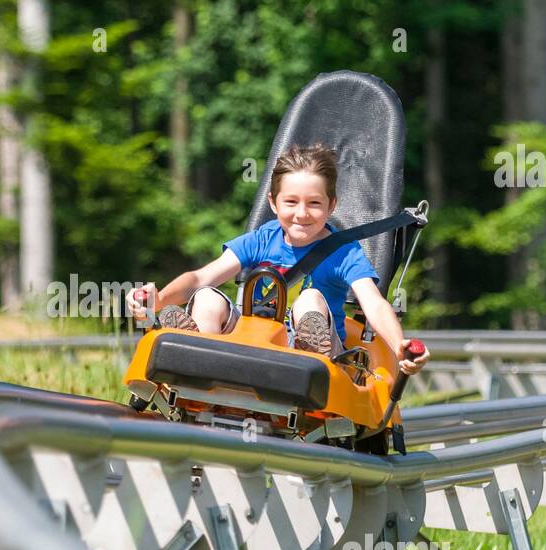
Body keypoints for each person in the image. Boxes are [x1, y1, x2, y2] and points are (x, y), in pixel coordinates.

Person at [125, 142, 430, 376]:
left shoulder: (344, 252)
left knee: (309, 298)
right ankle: (202, 367)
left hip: (316, 360)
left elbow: (373, 303)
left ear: (331, 205)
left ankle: (308, 355)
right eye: (291, 202)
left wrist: (399, 345)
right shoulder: (263, 239)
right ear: (273, 202)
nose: (301, 213)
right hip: (251, 343)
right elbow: (200, 278)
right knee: (206, 297)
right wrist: (160, 299)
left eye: (314, 203)